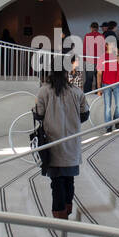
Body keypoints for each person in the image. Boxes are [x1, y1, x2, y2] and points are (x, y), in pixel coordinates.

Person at [34, 63, 91, 219]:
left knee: (56, 182)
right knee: (69, 180)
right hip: (71, 142)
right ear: (66, 74)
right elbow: (85, 115)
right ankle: (67, 209)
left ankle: (59, 215)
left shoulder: (44, 91)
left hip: (52, 143)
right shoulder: (76, 92)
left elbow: (38, 114)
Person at [98, 40, 119, 132]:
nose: (113, 46)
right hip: (106, 83)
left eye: (114, 44)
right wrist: (99, 88)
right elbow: (99, 73)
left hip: (117, 83)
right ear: (107, 45)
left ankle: (116, 119)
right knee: (107, 106)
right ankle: (108, 126)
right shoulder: (102, 57)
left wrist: (117, 56)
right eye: (111, 44)